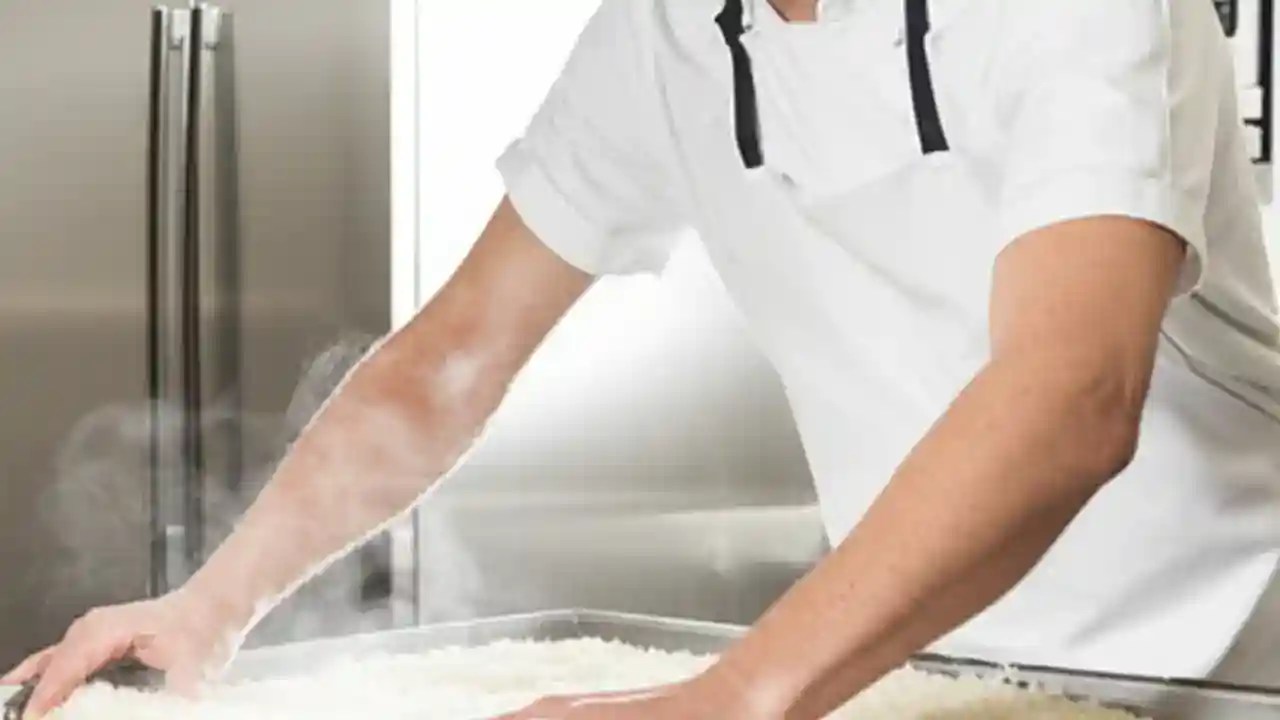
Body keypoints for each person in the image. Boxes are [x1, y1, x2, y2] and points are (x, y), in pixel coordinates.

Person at [9, 0, 1280, 717]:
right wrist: (208, 608)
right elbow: (450, 357)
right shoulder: (668, 34)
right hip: (913, 667)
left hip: (1224, 660)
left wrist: (735, 700)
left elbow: (1071, 392)